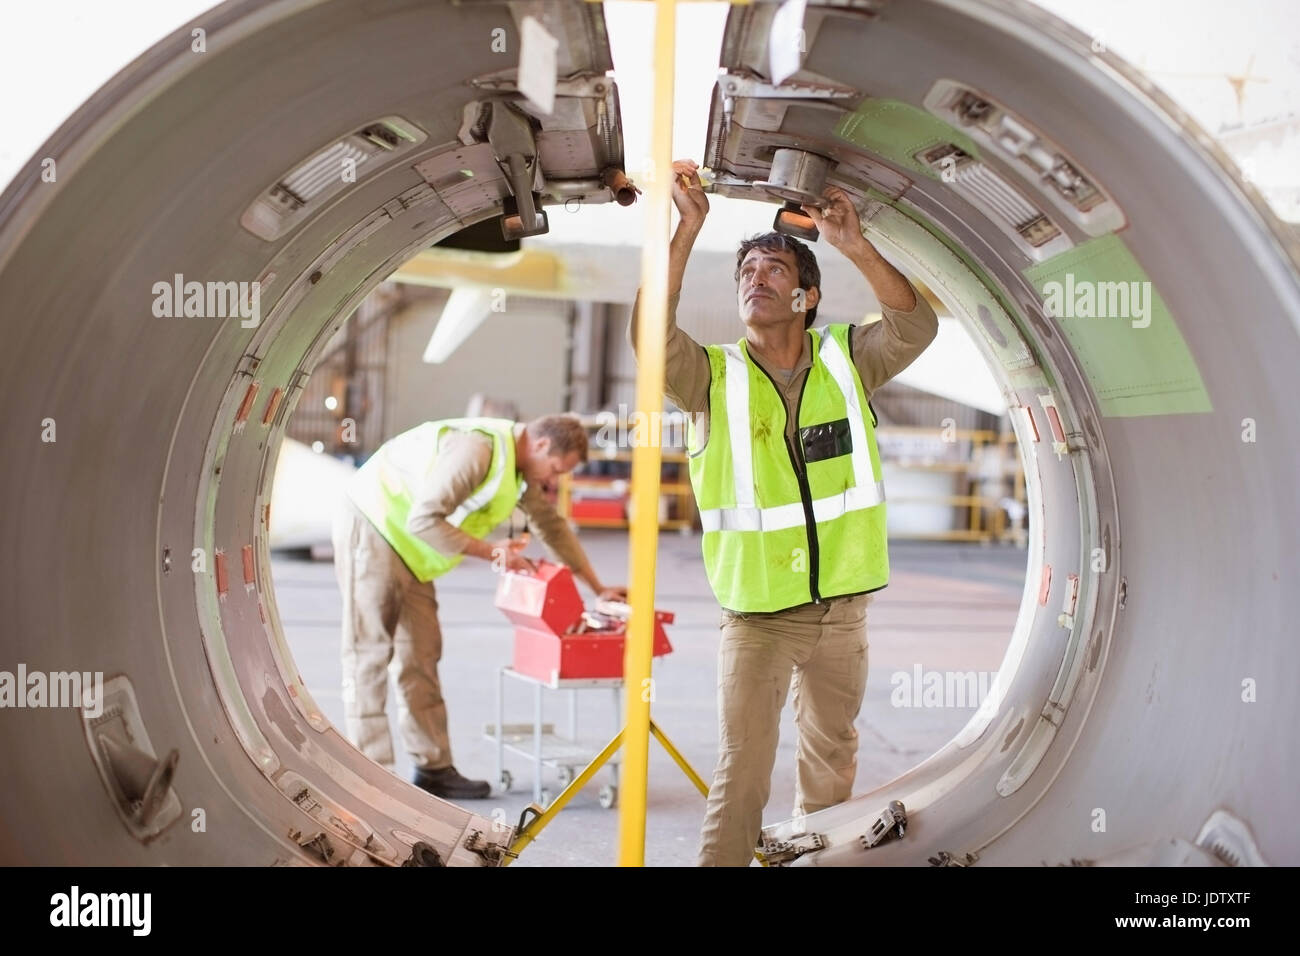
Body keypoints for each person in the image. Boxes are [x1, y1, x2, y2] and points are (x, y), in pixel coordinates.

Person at [629, 158, 939, 865]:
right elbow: (652, 337)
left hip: (843, 611)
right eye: (746, 272)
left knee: (831, 765)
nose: (755, 279)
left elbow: (915, 327)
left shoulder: (847, 359)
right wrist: (687, 230)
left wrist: (853, 242)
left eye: (772, 269)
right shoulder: (710, 376)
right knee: (743, 773)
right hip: (759, 616)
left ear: (806, 296)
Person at [332, 414, 626, 799]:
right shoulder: (477, 450)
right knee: (368, 655)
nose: (553, 481)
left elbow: (552, 528)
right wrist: (492, 552)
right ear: (539, 446)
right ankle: (372, 780)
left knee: (420, 656)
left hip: (412, 551)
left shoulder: (520, 472)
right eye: (556, 469)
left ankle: (432, 767)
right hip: (375, 527)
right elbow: (423, 518)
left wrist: (598, 588)